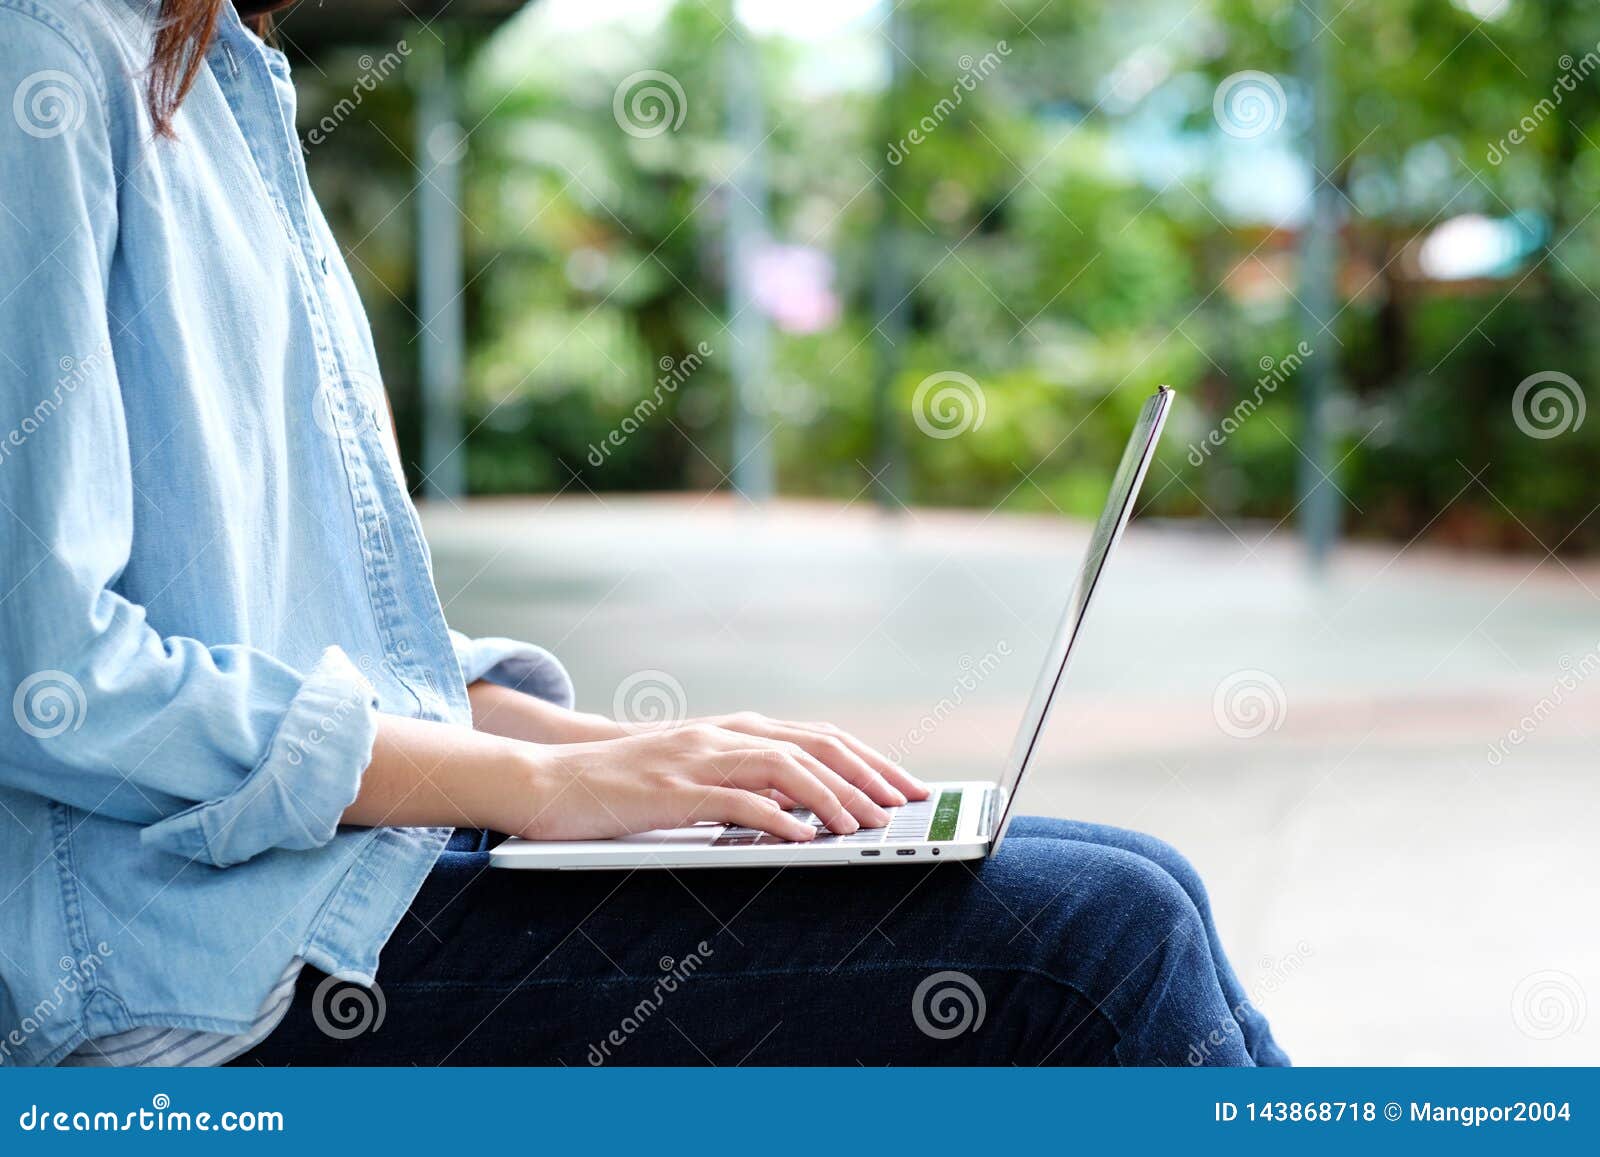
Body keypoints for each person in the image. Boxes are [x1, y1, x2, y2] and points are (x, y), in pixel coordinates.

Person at [0, 0, 1287, 1067]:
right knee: (1100, 939)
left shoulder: (219, 72)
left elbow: (303, 634)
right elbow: (45, 673)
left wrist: (637, 757)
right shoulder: (44, 59)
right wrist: (545, 790)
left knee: (1140, 874)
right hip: (195, 972)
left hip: (329, 872)